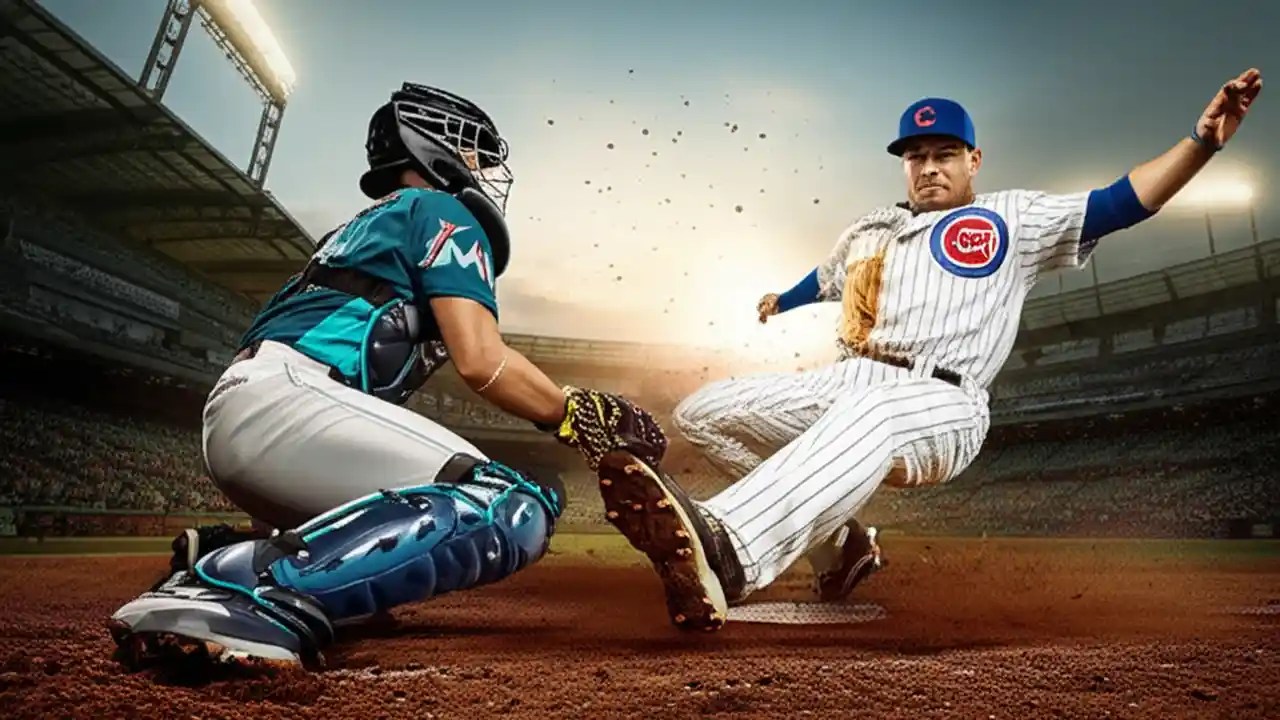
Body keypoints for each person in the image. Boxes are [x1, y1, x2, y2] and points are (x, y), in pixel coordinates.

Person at [595, 68, 1263, 631]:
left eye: (945, 153)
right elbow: (824, 280)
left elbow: (1122, 202)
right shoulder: (870, 231)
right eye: (917, 155)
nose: (929, 166)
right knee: (705, 411)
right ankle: (840, 545)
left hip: (939, 401)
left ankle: (732, 553)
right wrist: (783, 301)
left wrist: (1201, 142)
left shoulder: (1011, 218)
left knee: (875, 417)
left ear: (974, 160)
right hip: (847, 381)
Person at [107, 82, 666, 668]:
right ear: (434, 146)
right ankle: (234, 580)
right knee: (510, 506)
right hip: (289, 403)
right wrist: (575, 415)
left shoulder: (356, 232)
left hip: (265, 411)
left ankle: (241, 550)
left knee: (363, 581)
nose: (483, 168)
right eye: (474, 151)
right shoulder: (442, 210)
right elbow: (482, 360)